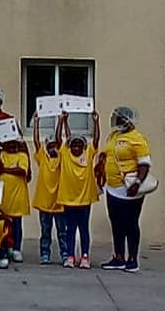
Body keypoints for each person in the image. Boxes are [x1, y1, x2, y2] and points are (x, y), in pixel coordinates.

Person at [101, 106, 152, 273]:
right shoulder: (114, 135)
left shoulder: (137, 139)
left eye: (119, 119)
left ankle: (132, 259)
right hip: (112, 187)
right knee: (116, 223)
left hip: (128, 187)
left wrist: (137, 182)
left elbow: (144, 163)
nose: (116, 122)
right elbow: (108, 153)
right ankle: (118, 257)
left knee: (130, 223)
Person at [56, 110, 100, 269]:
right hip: (68, 199)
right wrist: (62, 121)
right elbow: (60, 139)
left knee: (84, 229)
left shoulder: (88, 153)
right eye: (73, 144)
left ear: (83, 146)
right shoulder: (65, 154)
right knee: (70, 230)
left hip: (84, 199)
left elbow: (95, 141)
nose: (76, 147)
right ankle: (70, 256)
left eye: (79, 144)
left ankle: (85, 256)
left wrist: (96, 122)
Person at [32, 113, 68, 265]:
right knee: (45, 231)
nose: (53, 148)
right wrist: (36, 122)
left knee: (62, 232)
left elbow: (61, 140)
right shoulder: (42, 157)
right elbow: (35, 141)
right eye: (50, 145)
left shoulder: (62, 157)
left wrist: (61, 121)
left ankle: (65, 254)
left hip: (59, 203)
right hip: (44, 203)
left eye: (55, 145)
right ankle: (45, 254)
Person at [0, 137, 31, 263]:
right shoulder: (2, 154)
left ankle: (16, 249)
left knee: (16, 225)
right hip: (2, 197)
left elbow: (22, 171)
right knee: (2, 226)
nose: (11, 146)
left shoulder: (22, 155)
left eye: (14, 144)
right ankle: (4, 249)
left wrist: (5, 170)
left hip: (17, 197)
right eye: (8, 144)